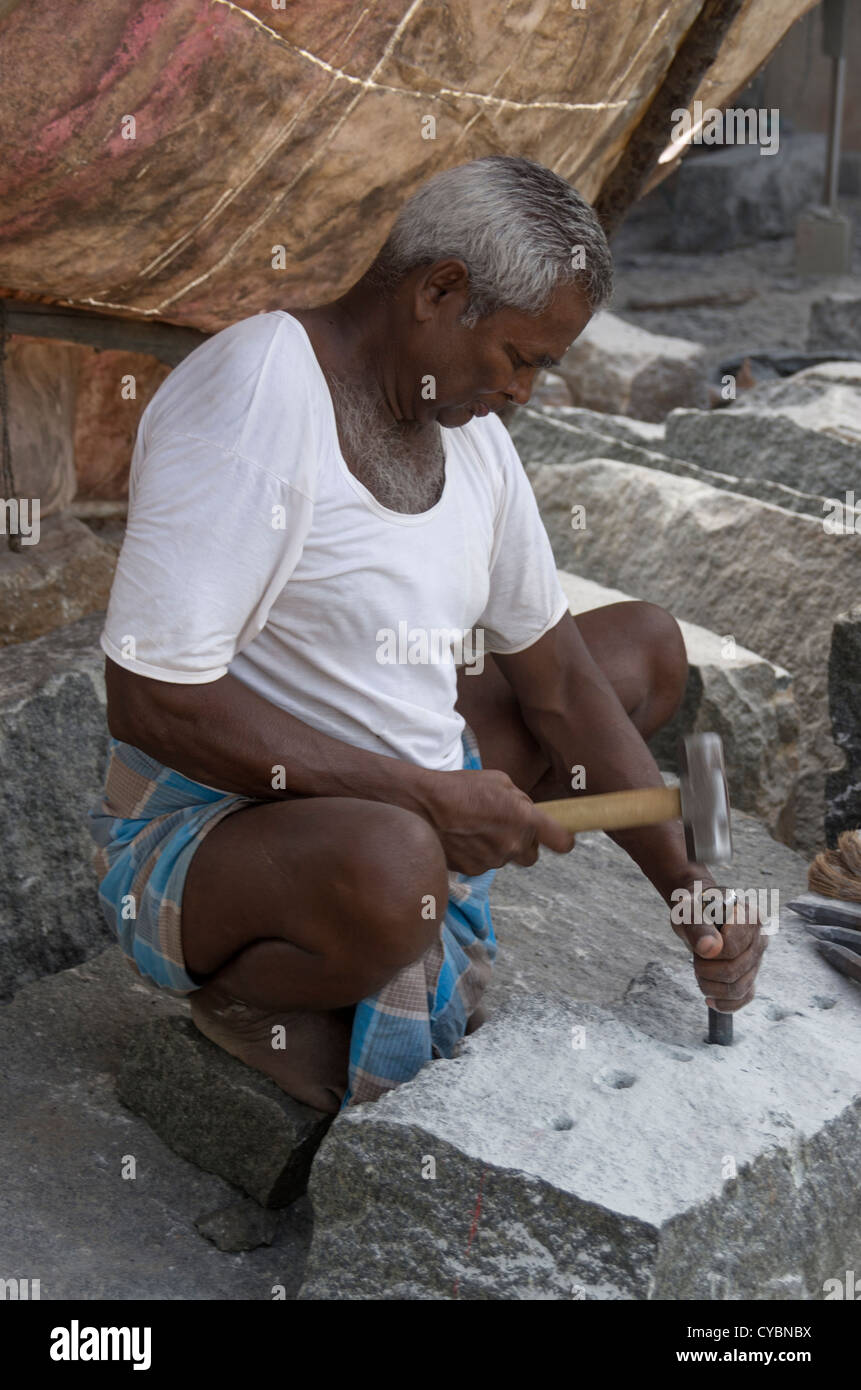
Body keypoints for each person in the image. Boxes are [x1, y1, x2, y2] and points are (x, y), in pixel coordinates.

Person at [88, 155, 767, 1115]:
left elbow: (564, 687)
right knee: (398, 867)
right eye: (520, 359)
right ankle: (247, 996)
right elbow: (151, 698)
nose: (526, 394)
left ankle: (383, 894)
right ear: (438, 291)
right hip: (212, 826)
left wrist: (689, 893)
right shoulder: (255, 396)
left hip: (390, 789)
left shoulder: (469, 432)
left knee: (643, 647)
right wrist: (423, 797)